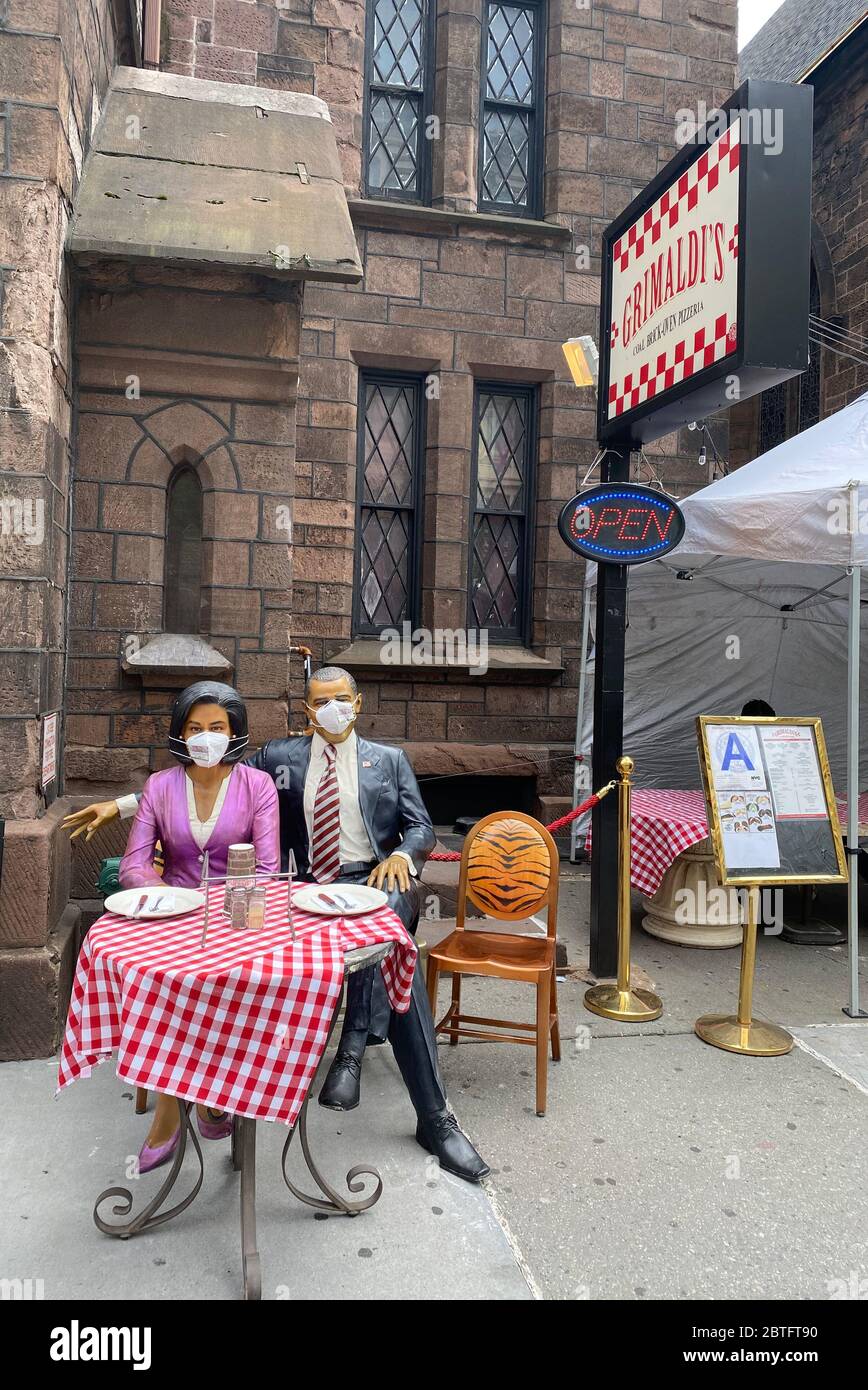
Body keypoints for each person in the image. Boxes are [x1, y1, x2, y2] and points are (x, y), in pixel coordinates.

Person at [63, 667, 489, 1184]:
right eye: (319, 701)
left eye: (340, 699)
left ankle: (421, 1106)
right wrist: (122, 804)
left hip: (371, 878)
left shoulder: (390, 760)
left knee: (393, 934)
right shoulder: (280, 759)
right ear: (307, 710)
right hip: (301, 887)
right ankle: (327, 1055)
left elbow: (421, 826)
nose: (331, 708)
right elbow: (210, 766)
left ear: (358, 702)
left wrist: (404, 852)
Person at [97, 681, 279, 1173]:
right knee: (160, 988)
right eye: (194, 728)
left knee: (232, 989)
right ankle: (170, 1109)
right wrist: (172, 902)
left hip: (237, 918)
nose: (205, 737)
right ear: (179, 734)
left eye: (216, 728)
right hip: (170, 916)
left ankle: (216, 1093)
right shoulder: (159, 786)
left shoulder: (257, 786)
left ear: (234, 732)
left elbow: (266, 867)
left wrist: (221, 910)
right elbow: (136, 865)